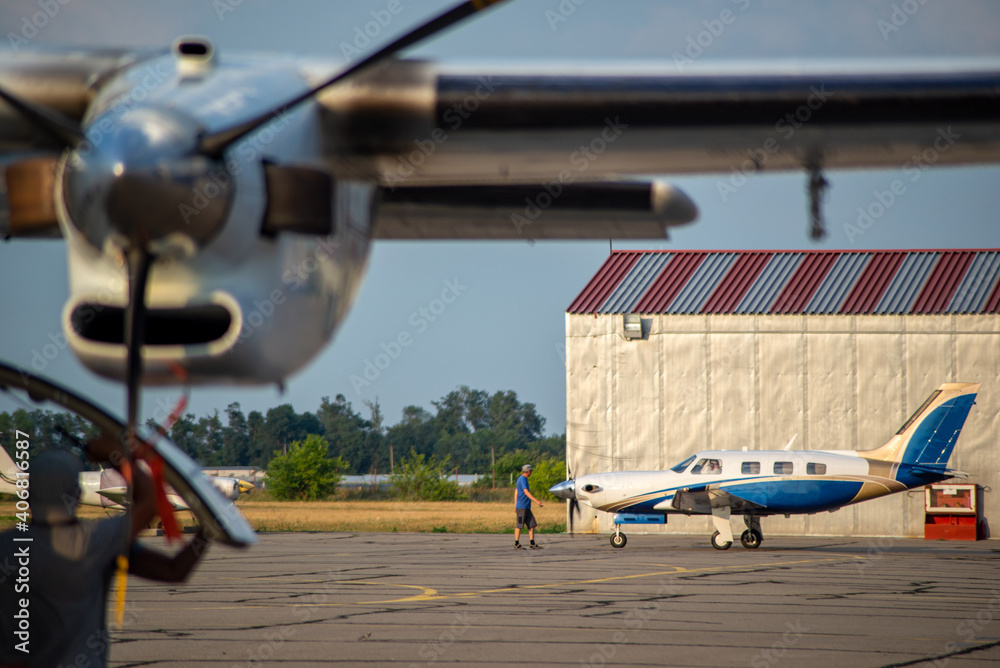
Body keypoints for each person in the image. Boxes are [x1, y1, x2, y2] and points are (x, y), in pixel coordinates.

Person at [0, 435, 209, 668]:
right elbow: (174, 569)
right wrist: (207, 532)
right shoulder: (96, 541)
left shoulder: (6, 547)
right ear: (77, 495)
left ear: (27, 495)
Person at [514, 464, 544, 550]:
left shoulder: (523, 479)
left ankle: (532, 543)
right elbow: (526, 492)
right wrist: (536, 501)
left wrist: (515, 504)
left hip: (526, 507)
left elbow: (516, 492)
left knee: (531, 524)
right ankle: (516, 543)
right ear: (528, 471)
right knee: (519, 524)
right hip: (522, 507)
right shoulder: (522, 479)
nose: (531, 472)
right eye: (530, 471)